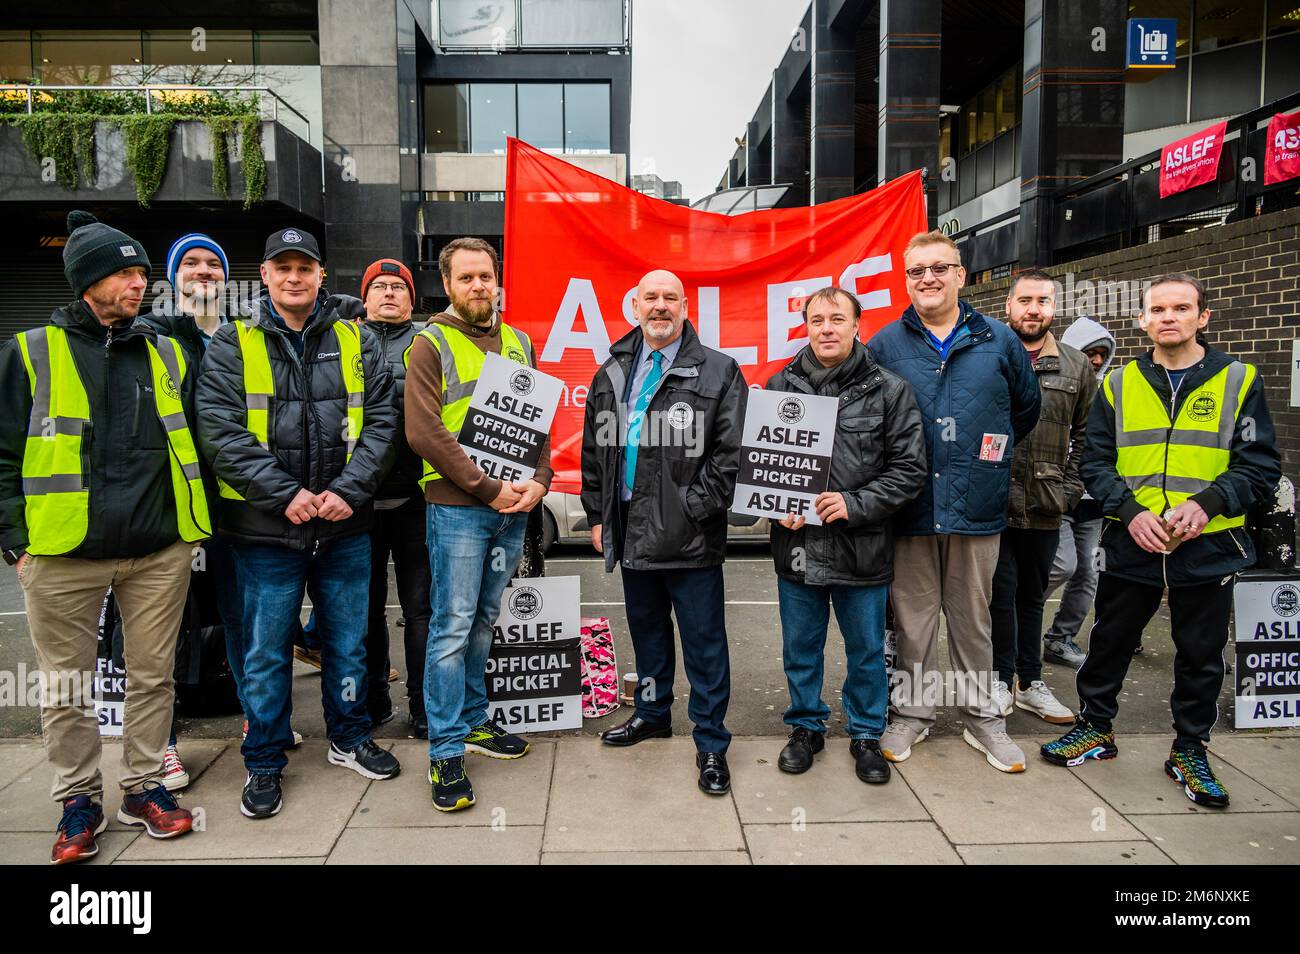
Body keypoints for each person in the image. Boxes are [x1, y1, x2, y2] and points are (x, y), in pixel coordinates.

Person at [0, 211, 205, 863]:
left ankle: (144, 787)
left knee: (153, 677)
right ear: (87, 281)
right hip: (60, 556)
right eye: (123, 271)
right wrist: (16, 542)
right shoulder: (31, 351)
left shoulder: (167, 350)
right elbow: (4, 453)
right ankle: (78, 798)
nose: (138, 282)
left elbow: (197, 439)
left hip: (158, 552)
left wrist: (186, 536)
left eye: (141, 271)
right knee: (65, 687)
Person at [1043, 274, 1280, 807]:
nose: (1168, 317)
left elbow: (1260, 465)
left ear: (1203, 317)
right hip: (1133, 542)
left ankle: (1189, 748)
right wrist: (1129, 512)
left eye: (1181, 308)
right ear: (1143, 320)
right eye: (1158, 309)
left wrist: (1208, 504)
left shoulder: (1239, 380)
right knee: (1109, 640)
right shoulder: (1117, 385)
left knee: (1200, 653)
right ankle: (1096, 727)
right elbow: (1094, 462)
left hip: (1208, 546)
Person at [197, 227, 402, 820]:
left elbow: (382, 425)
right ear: (264, 275)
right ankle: (263, 761)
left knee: (348, 644)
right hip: (265, 532)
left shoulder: (356, 339)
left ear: (320, 275)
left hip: (343, 527)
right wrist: (285, 494)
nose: (294, 277)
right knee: (265, 651)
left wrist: (347, 492)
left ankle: (348, 737)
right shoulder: (233, 343)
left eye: (304, 267)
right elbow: (220, 432)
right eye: (281, 267)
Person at [868, 230, 1041, 773]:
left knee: (973, 619)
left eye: (940, 268)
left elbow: (1024, 411)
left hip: (976, 504)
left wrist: (978, 456)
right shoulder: (885, 345)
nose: (929, 279)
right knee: (912, 621)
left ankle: (981, 717)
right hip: (910, 507)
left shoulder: (998, 339)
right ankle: (912, 713)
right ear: (907, 279)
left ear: (961, 275)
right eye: (917, 270)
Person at [581, 269, 746, 796]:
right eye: (649, 297)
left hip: (691, 535)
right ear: (634, 305)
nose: (659, 306)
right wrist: (597, 515)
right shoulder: (612, 370)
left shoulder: (719, 371)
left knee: (704, 644)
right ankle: (652, 713)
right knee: (648, 636)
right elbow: (594, 452)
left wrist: (690, 509)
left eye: (669, 298)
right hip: (630, 530)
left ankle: (712, 742)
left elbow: (731, 456)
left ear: (684, 305)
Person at [404, 237, 551, 812]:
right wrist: (489, 489)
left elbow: (537, 424)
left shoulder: (519, 342)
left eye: (485, 276)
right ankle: (445, 753)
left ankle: (472, 721)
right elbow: (425, 433)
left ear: (497, 279)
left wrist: (539, 481)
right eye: (466, 278)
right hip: (460, 511)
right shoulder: (429, 342)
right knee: (452, 628)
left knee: (484, 620)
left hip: (511, 510)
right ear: (448, 285)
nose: (478, 287)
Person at [765, 286, 926, 783]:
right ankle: (806, 728)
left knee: (866, 652)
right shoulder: (778, 386)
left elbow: (909, 469)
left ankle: (865, 734)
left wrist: (853, 504)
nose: (827, 328)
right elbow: (763, 466)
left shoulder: (890, 389)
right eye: (817, 320)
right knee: (800, 648)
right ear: (806, 327)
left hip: (863, 547)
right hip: (797, 549)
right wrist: (776, 505)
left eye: (837, 319)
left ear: (858, 325)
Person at [989, 270, 1094, 725]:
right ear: (1008, 305)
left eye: (1044, 301)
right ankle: (997, 680)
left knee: (1032, 597)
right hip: (989, 502)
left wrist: (1069, 491)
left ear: (1054, 308)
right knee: (998, 595)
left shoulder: (1076, 366)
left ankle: (1029, 683)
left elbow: (1091, 436)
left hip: (1044, 505)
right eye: (1025, 300)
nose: (1034, 309)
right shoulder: (986, 354)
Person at [358, 257, 432, 734]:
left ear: (411, 298)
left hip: (417, 501)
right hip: (356, 502)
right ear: (364, 298)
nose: (389, 294)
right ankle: (373, 702)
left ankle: (425, 709)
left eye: (398, 288)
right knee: (362, 613)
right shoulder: (340, 341)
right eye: (379, 287)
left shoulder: (428, 342)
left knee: (422, 609)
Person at [1042, 316, 1115, 668]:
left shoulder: (1110, 392)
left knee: (1089, 572)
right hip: (1059, 497)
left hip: (1093, 502)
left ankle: (1060, 638)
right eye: (1090, 352)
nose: (1097, 360)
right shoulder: (1053, 383)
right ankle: (1017, 617)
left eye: (1102, 353)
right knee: (1062, 566)